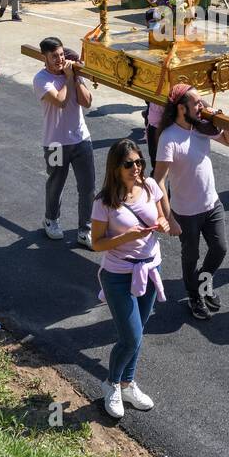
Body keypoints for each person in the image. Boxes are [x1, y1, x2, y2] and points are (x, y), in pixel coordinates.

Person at [91, 139, 171, 419]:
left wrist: (162, 223)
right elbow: (97, 244)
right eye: (129, 164)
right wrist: (127, 237)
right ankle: (111, 384)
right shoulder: (104, 202)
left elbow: (161, 217)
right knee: (131, 336)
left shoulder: (149, 185)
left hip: (150, 269)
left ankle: (128, 383)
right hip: (118, 275)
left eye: (139, 162)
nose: (136, 168)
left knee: (138, 334)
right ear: (115, 168)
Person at [154, 84, 229, 320]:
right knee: (190, 258)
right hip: (185, 212)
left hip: (212, 205)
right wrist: (168, 217)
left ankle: (203, 283)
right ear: (182, 108)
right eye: (197, 103)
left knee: (220, 248)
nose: (202, 106)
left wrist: (222, 121)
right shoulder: (169, 137)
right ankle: (195, 296)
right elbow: (158, 180)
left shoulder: (203, 128)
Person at [34, 37, 95, 248]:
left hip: (81, 139)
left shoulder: (73, 74)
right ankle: (51, 219)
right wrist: (69, 78)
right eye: (54, 56)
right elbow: (60, 101)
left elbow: (87, 102)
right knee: (56, 184)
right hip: (54, 143)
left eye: (61, 55)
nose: (59, 59)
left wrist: (76, 78)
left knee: (87, 188)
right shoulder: (41, 79)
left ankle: (85, 229)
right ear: (45, 58)